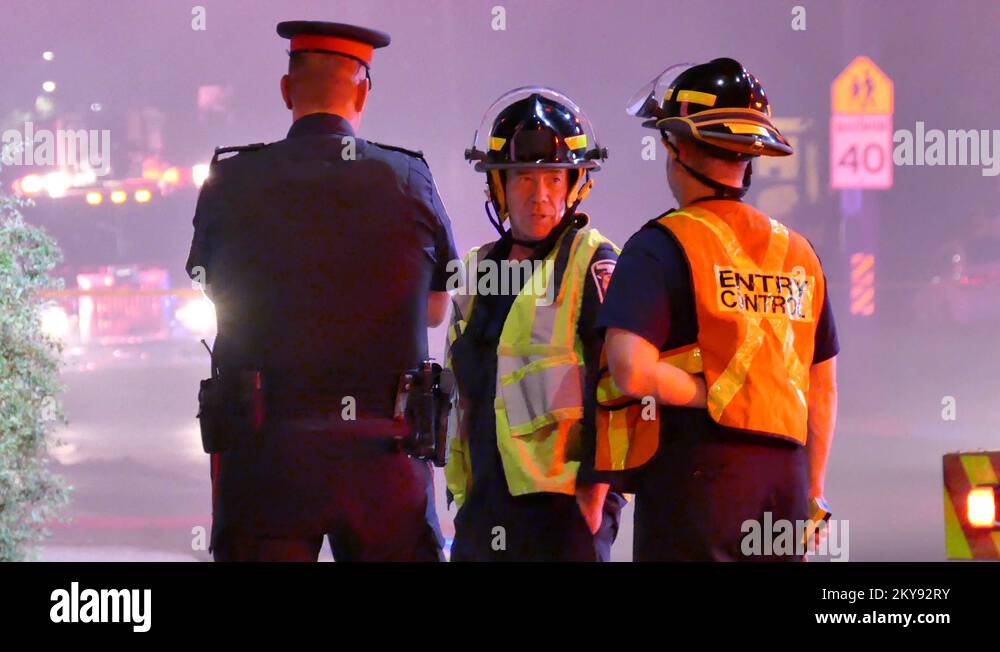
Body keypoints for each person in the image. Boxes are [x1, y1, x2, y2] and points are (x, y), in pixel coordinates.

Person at [184, 20, 458, 562]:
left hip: (265, 459)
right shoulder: (408, 178)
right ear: (362, 90)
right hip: (385, 457)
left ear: (286, 91)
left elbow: (212, 292)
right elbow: (434, 308)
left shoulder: (231, 180)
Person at [595, 59, 839, 561]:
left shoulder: (659, 245)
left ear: (678, 146)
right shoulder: (799, 253)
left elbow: (629, 370)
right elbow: (821, 388)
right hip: (786, 488)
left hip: (700, 483)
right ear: (749, 155)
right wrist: (813, 492)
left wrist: (709, 391)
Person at [444, 88, 625, 561]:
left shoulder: (594, 263)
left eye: (553, 178)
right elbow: (461, 394)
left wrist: (595, 496)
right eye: (523, 177)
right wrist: (462, 497)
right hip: (484, 509)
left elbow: (619, 390)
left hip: (563, 511)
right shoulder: (475, 272)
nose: (539, 196)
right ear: (498, 187)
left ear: (575, 183)